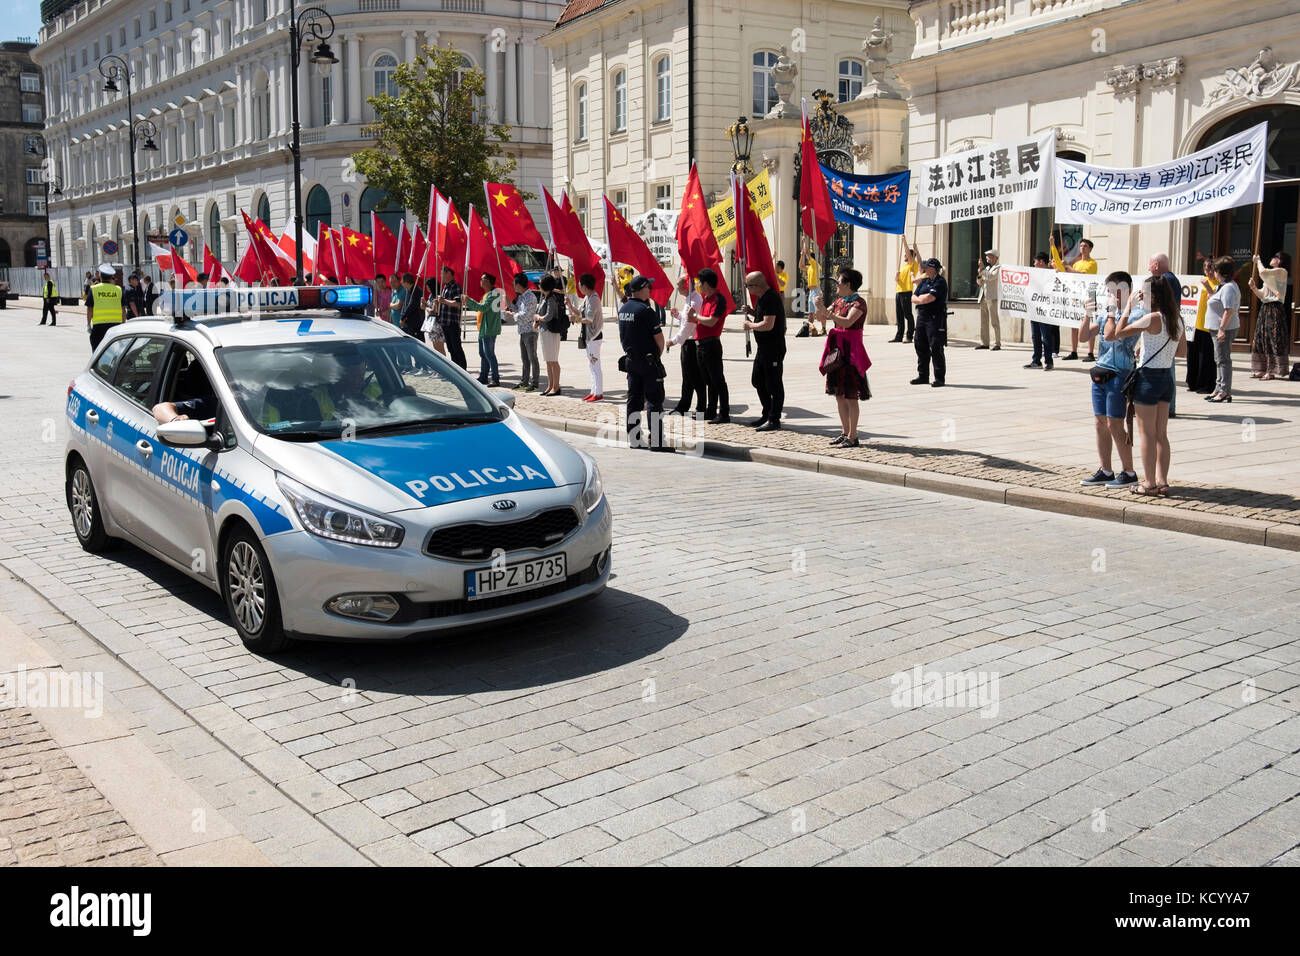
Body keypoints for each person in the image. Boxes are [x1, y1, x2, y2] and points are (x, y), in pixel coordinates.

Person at [1113, 275, 1182, 496]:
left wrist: (1128, 307)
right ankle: (1162, 481)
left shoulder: (1152, 318)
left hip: (1148, 378)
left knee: (1147, 435)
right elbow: (1182, 352)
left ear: (1154, 296)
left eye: (1144, 293)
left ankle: (1149, 483)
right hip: (1166, 379)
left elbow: (1119, 332)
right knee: (1162, 434)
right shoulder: (1177, 319)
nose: (1141, 296)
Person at [1079, 271, 1138, 489]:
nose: (1112, 295)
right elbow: (1085, 336)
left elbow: (1112, 334)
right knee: (1100, 423)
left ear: (1128, 291)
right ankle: (1105, 470)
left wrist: (1113, 311)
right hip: (1100, 373)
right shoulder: (1106, 314)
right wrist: (1087, 314)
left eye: (1117, 290)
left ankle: (1129, 471)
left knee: (1115, 424)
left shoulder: (1133, 313)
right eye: (1110, 290)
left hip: (1120, 373)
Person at [818, 268, 871, 447]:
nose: (836, 285)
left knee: (850, 396)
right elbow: (822, 319)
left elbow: (847, 322)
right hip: (837, 352)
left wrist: (828, 312)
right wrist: (819, 308)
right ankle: (844, 431)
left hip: (851, 352)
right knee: (839, 395)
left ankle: (853, 436)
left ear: (848, 284)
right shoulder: (839, 301)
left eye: (839, 282)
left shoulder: (859, 303)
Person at [619, 275, 671, 451]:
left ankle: (634, 438)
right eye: (649, 287)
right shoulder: (646, 311)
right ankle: (656, 441)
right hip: (648, 362)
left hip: (631, 360)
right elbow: (659, 339)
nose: (650, 290)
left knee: (633, 400)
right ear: (642, 289)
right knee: (654, 401)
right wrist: (657, 356)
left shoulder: (624, 308)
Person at [741, 270, 786, 430]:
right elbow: (763, 316)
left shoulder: (771, 298)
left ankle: (774, 419)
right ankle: (767, 413)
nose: (746, 288)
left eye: (747, 285)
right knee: (758, 380)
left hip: (773, 347)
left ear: (756, 285)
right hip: (763, 348)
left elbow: (768, 324)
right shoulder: (762, 298)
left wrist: (750, 325)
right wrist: (752, 312)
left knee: (774, 384)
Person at [693, 267, 730, 424]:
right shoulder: (705, 299)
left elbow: (712, 321)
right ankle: (711, 410)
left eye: (700, 283)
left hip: (711, 344)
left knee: (717, 380)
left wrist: (695, 317)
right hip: (701, 344)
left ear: (707, 283)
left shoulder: (718, 299)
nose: (699, 286)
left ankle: (724, 413)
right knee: (708, 380)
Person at [1054, 236, 1098, 360]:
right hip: (1077, 295)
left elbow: (1082, 275)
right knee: (1073, 323)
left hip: (1089, 294)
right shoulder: (1077, 263)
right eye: (1081, 246)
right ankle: (1074, 351)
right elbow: (1071, 276)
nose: (1082, 248)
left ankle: (1090, 353)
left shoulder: (1092, 263)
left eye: (1085, 246)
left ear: (1090, 249)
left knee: (1090, 323)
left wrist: (1068, 267)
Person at [1249, 251, 1291, 381]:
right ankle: (1261, 368)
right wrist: (1254, 288)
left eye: (1275, 257)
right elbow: (1263, 294)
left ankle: (1271, 370)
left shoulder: (1281, 272)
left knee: (1272, 339)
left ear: (1280, 260)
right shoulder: (1270, 277)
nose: (1272, 258)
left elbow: (1263, 273)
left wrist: (1258, 261)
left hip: (1275, 309)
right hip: (1265, 308)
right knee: (1261, 338)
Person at [667, 275, 706, 416]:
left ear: (686, 285)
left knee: (695, 377)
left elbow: (689, 326)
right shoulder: (689, 299)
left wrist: (674, 340)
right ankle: (683, 405)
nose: (677, 288)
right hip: (687, 342)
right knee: (687, 377)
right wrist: (678, 315)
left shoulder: (695, 300)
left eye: (678, 285)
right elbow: (685, 319)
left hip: (691, 342)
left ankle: (701, 407)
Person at [1205, 256, 1240, 403]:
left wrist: (1221, 329)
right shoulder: (1224, 286)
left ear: (1222, 272)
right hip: (1218, 328)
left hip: (1224, 328)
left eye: (1215, 270)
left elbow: (1229, 310)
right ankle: (1218, 388)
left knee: (1223, 360)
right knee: (1218, 359)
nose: (1214, 273)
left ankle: (1225, 391)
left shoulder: (1229, 288)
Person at [911, 258, 948, 387]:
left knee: (936, 347)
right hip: (922, 317)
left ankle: (939, 378)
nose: (924, 269)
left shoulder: (940, 282)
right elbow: (913, 297)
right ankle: (923, 376)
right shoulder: (924, 281)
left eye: (926, 267)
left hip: (934, 318)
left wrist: (920, 299)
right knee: (920, 345)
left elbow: (930, 298)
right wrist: (921, 299)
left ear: (933, 268)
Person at [1186, 259, 1220, 394]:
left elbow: (1218, 301)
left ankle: (1206, 385)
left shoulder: (1218, 284)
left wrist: (1208, 287)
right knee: (1193, 355)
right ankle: (1192, 382)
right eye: (1206, 269)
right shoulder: (1198, 282)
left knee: (1206, 357)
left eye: (1211, 269)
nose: (1209, 272)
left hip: (1209, 325)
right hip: (1195, 324)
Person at [463, 273, 503, 386]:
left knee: (489, 354)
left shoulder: (493, 294)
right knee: (483, 353)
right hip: (483, 328)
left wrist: (469, 301)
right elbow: (480, 308)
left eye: (483, 279)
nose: (480, 280)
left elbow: (484, 308)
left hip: (489, 329)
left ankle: (495, 378)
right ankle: (483, 376)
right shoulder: (487, 294)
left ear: (489, 281)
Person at [570, 272, 604, 401]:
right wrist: (570, 306)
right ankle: (593, 390)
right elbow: (579, 311)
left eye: (579, 284)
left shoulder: (594, 298)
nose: (578, 286)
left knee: (595, 365)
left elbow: (588, 319)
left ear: (584, 286)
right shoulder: (587, 297)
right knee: (591, 365)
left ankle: (598, 392)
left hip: (594, 336)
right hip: (589, 336)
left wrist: (576, 319)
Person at [535, 274, 566, 395]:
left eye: (540, 283)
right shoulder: (544, 298)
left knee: (553, 360)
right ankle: (550, 385)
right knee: (548, 360)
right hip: (544, 331)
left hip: (551, 331)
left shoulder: (551, 298)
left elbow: (549, 316)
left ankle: (556, 386)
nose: (539, 285)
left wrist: (539, 318)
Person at [1024, 252, 1056, 370]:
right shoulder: (1034, 274)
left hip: (1045, 310)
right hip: (1034, 308)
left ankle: (1049, 361)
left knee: (1046, 336)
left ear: (1041, 262)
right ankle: (1036, 360)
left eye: (1035, 262)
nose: (1034, 264)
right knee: (1035, 336)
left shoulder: (1052, 273)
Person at [510, 274, 539, 391]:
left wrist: (514, 315)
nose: (513, 286)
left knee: (532, 358)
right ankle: (524, 381)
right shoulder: (521, 297)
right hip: (523, 331)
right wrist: (509, 304)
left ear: (518, 284)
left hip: (530, 331)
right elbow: (517, 310)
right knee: (525, 358)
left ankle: (535, 383)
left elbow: (527, 315)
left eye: (514, 284)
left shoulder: (530, 297)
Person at [434, 266, 467, 369]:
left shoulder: (455, 286)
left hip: (452, 323)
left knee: (456, 348)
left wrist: (444, 301)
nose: (441, 275)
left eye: (442, 273)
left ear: (448, 273)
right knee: (450, 348)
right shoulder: (445, 287)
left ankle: (462, 369)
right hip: (445, 322)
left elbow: (458, 303)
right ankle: (457, 368)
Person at [86, 263, 123, 350]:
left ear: (100, 276)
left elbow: (89, 308)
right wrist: (123, 323)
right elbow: (123, 309)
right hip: (116, 325)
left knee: (98, 351)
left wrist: (88, 324)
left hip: (99, 326)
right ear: (111, 277)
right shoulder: (118, 289)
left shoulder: (94, 289)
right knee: (115, 351)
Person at [974, 248, 1002, 350]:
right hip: (983, 296)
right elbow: (980, 283)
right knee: (983, 321)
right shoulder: (987, 268)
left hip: (992, 297)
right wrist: (979, 275)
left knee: (994, 321)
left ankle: (997, 343)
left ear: (995, 257)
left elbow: (990, 277)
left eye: (990, 256)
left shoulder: (998, 268)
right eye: (987, 256)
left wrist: (983, 269)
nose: (987, 258)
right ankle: (985, 342)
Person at [893, 244, 919, 343]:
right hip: (899, 291)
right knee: (899, 315)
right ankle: (899, 335)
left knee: (907, 314)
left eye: (906, 255)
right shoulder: (903, 266)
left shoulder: (913, 265)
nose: (905, 256)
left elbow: (909, 254)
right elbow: (896, 280)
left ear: (911, 257)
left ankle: (909, 335)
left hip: (907, 292)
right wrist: (896, 276)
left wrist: (904, 242)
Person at [800, 247, 824, 335]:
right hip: (811, 291)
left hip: (816, 290)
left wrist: (804, 243)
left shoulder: (815, 265)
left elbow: (808, 256)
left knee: (818, 311)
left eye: (808, 259)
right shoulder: (810, 267)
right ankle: (810, 328)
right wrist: (802, 255)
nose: (807, 260)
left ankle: (823, 328)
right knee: (811, 312)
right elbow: (801, 266)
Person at [420, 278, 445, 353]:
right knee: (436, 347)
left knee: (439, 348)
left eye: (428, 286)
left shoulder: (437, 296)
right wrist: (425, 304)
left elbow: (433, 311)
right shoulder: (431, 295)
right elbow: (429, 307)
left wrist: (425, 307)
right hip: (432, 325)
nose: (427, 288)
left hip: (437, 324)